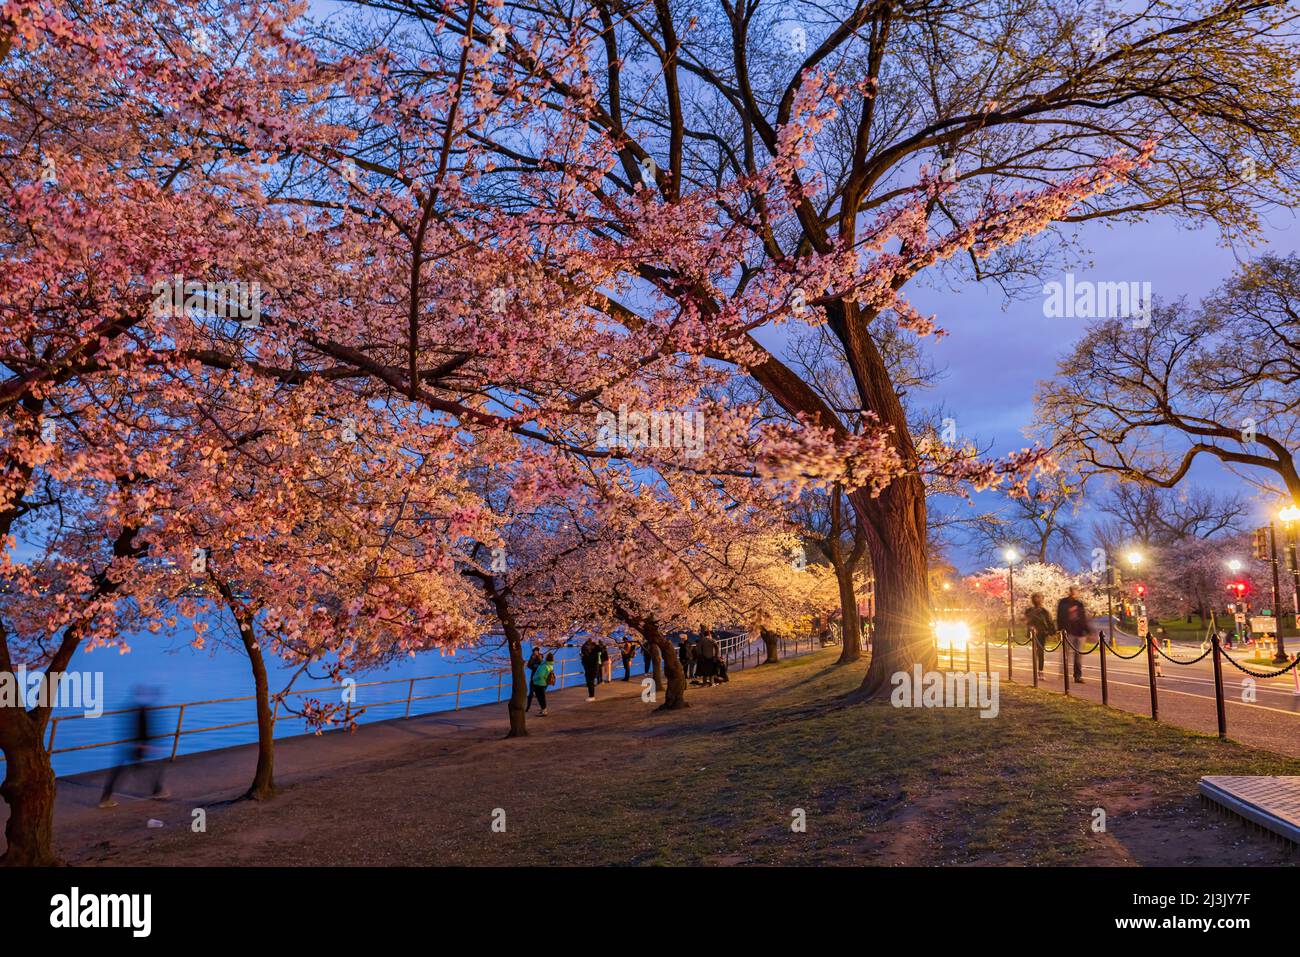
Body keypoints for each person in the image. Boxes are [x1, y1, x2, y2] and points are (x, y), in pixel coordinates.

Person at [99, 687, 168, 808]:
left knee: (123, 771)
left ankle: (105, 797)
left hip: (129, 744)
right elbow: (141, 729)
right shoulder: (142, 710)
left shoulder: (131, 708)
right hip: (137, 746)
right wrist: (144, 745)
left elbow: (132, 727)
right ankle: (156, 790)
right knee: (128, 771)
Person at [1055, 586, 1089, 682]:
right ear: (1069, 592)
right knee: (1065, 654)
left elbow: (1083, 617)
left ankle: (1077, 676)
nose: (1073, 593)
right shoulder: (1063, 603)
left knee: (1078, 655)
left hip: (1079, 632)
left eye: (1075, 592)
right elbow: (1059, 617)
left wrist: (1087, 630)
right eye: (1072, 591)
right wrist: (1059, 630)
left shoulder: (1079, 604)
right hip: (1068, 632)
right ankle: (1063, 674)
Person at [1024, 593, 1053, 673]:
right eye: (1035, 598)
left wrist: (1051, 632)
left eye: (1039, 598)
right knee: (1035, 652)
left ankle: (1040, 670)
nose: (1037, 599)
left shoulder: (1045, 612)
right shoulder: (1029, 611)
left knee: (1040, 652)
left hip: (1042, 634)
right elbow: (1027, 621)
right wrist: (1031, 628)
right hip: (1033, 634)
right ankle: (1036, 671)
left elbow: (1049, 622)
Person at [525, 647, 544, 712]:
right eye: (534, 651)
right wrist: (532, 662)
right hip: (533, 677)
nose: (535, 652)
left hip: (539, 678)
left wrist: (538, 659)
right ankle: (527, 707)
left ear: (538, 651)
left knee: (539, 695)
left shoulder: (541, 656)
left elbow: (542, 664)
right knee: (530, 694)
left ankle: (543, 708)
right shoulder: (532, 657)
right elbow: (528, 665)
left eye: (536, 651)